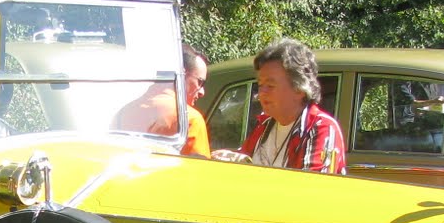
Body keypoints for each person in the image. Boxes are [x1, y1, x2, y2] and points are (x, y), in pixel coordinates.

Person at [237, 38, 347, 173]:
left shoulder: (321, 127)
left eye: (270, 86)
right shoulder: (264, 126)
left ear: (299, 89)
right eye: (260, 85)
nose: (261, 92)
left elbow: (312, 185)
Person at [115, 44, 210, 156]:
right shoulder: (189, 119)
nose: (202, 92)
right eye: (200, 82)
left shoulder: (123, 113)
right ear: (182, 74)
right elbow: (200, 170)